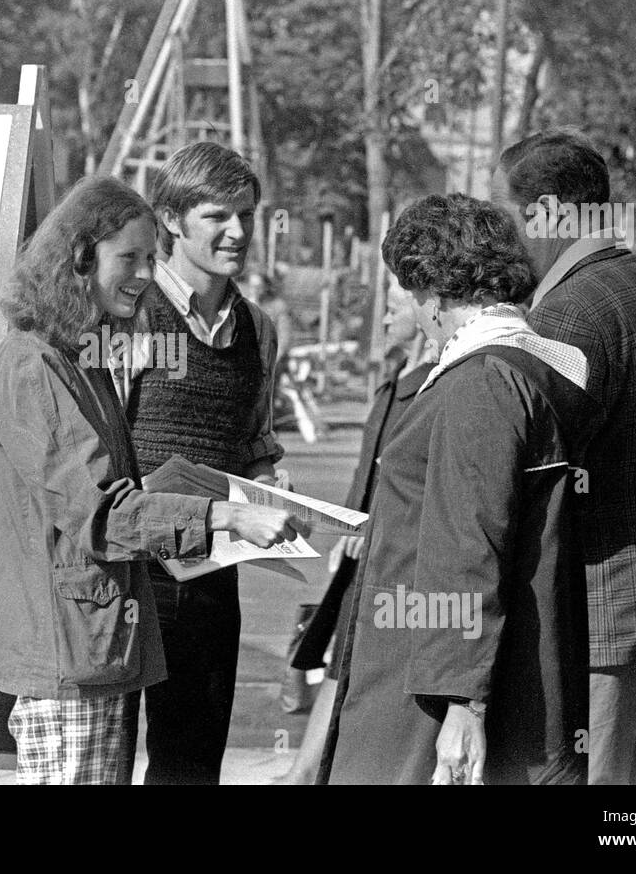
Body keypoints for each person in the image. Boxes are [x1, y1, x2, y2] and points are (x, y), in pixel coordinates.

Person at [0, 175, 305, 785]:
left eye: (150, 258)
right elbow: (101, 513)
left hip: (100, 634)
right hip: (70, 646)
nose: (147, 274)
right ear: (79, 257)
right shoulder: (36, 363)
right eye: (130, 258)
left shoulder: (73, 354)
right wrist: (227, 515)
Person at [325, 193, 594, 785]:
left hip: (425, 688)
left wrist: (460, 706)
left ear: (435, 290)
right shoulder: (534, 366)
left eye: (409, 292)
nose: (414, 311)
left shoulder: (480, 383)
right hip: (486, 664)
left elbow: (467, 549)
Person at [495, 129, 636, 785]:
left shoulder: (566, 317)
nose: (501, 239)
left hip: (598, 612)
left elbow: (531, 473)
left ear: (550, 213)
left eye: (507, 217)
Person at [113, 142, 285, 785]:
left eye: (246, 214)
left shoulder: (259, 329)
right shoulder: (125, 315)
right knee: (102, 759)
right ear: (172, 220)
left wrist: (270, 484)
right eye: (217, 216)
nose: (237, 232)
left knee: (191, 767)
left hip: (211, 570)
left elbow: (253, 443)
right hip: (125, 571)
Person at [278, 276, 438, 784]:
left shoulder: (432, 387)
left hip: (386, 570)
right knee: (334, 672)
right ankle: (303, 773)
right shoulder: (395, 381)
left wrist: (371, 530)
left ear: (421, 309)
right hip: (357, 566)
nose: (384, 319)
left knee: (348, 684)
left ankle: (306, 775)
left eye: (393, 309)